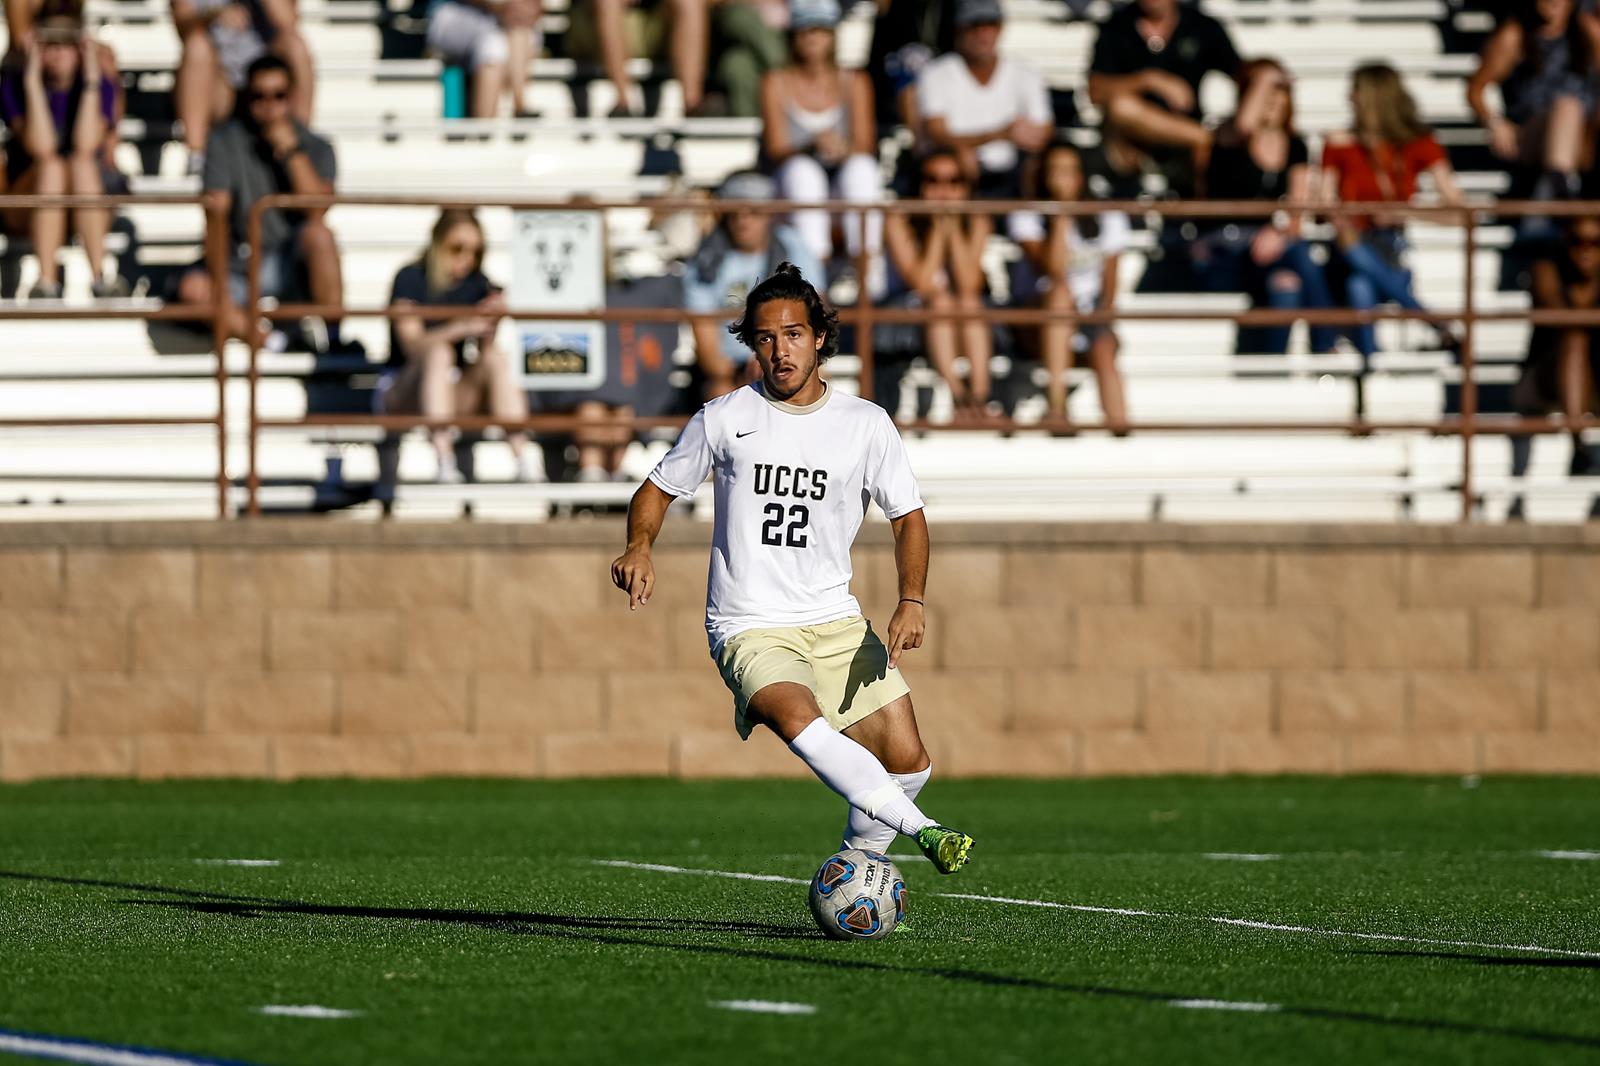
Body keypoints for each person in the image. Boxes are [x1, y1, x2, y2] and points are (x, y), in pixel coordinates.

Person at [610, 261, 975, 875]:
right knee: (800, 721)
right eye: (765, 338)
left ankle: (855, 871)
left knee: (908, 763)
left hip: (834, 619)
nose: (780, 351)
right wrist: (639, 546)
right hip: (748, 624)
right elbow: (657, 489)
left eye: (794, 334)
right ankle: (926, 831)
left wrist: (911, 599)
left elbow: (908, 517)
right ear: (752, 345)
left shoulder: (865, 423)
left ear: (820, 337)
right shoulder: (723, 417)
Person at [176, 55, 343, 350]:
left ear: (292, 97)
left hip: (290, 262)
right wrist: (218, 279)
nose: (269, 105)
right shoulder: (224, 141)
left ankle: (334, 340)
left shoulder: (316, 146)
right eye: (259, 96)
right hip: (236, 262)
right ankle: (274, 343)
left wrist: (291, 152)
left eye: (278, 95)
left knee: (321, 236)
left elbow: (317, 209)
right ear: (246, 98)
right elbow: (215, 218)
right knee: (193, 290)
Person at [1321, 62, 1464, 388]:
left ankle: (1371, 369)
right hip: (1350, 240)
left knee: (1360, 282)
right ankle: (1434, 322)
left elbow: (1458, 210)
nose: (1348, 98)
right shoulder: (1339, 143)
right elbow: (1325, 204)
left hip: (1391, 244)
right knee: (1353, 259)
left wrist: (1405, 213)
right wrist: (1339, 213)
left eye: (1355, 91)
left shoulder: (1418, 143)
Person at [1192, 59, 1336, 357]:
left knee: (1287, 284)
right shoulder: (1227, 136)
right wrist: (1267, 76)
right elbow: (1244, 125)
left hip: (1264, 248)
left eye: (1278, 92)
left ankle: (1278, 368)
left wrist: (1278, 233)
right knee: (1300, 255)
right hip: (1221, 244)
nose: (1272, 101)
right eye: (1264, 93)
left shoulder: (1295, 146)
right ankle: (1325, 342)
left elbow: (1297, 213)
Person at [385, 209, 538, 484]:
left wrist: (493, 319)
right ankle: (444, 460)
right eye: (457, 249)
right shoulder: (410, 277)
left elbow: (485, 352)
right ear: (437, 244)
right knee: (438, 353)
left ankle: (523, 459)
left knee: (495, 358)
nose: (467, 259)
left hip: (449, 393)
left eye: (475, 252)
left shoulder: (477, 282)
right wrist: (461, 327)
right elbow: (411, 345)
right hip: (404, 388)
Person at [0, 13, 124, 299]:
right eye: (49, 45)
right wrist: (33, 82)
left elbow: (86, 145)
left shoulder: (99, 84)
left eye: (66, 44)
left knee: (81, 164)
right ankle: (47, 281)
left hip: (84, 199)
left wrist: (92, 81)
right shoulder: (15, 85)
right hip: (30, 201)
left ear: (80, 49)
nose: (57, 53)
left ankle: (99, 278)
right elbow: (41, 147)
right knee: (52, 167)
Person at [1009, 139, 1128, 433]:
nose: (1063, 178)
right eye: (1055, 170)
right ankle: (1057, 407)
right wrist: (1062, 211)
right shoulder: (1027, 214)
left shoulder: (1107, 215)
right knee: (1060, 294)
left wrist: (1099, 324)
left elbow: (1110, 285)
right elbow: (1052, 269)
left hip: (1086, 314)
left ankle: (1121, 428)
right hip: (1038, 316)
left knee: (1103, 345)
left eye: (1069, 170)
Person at [760, 0, 881, 271]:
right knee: (803, 172)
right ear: (793, 36)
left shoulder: (855, 81)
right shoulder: (775, 82)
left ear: (833, 34)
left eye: (820, 29)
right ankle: (813, 276)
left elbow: (865, 145)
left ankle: (867, 272)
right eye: (804, 30)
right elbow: (776, 150)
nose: (812, 37)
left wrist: (842, 148)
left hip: (839, 187)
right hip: (791, 189)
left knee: (862, 169)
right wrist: (812, 147)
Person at [684, 170, 823, 398]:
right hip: (733, 372)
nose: (743, 219)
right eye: (734, 211)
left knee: (812, 382)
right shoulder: (705, 260)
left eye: (754, 211)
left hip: (788, 358)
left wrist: (773, 364)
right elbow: (709, 352)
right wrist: (744, 373)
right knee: (720, 395)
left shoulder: (793, 246)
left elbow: (816, 317)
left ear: (769, 214)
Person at [881, 147, 993, 419]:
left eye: (954, 181)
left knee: (968, 301)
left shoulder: (977, 219)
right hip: (910, 311)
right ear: (919, 184)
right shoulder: (899, 217)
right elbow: (920, 283)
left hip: (963, 315)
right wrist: (937, 231)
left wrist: (952, 229)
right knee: (941, 300)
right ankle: (959, 395)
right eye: (933, 180)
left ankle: (980, 396)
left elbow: (969, 283)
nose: (944, 190)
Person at [1087, 0, 1242, 196]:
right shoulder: (1116, 26)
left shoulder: (1202, 26)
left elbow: (1242, 74)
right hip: (1129, 143)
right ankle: (1203, 138)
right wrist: (1149, 80)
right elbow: (1096, 92)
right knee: (1122, 106)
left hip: (1185, 142)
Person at [912, 0, 1051, 197]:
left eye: (991, 24)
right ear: (959, 30)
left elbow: (1042, 132)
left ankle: (1028, 213)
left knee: (1047, 163)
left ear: (1000, 28)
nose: (983, 33)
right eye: (974, 25)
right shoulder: (936, 73)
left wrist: (971, 141)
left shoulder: (1026, 73)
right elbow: (938, 134)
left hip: (1013, 173)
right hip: (958, 175)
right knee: (954, 162)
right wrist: (1001, 134)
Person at [1469, 0, 1600, 205]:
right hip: (1532, 134)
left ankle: (1562, 186)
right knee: (1567, 106)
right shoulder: (1516, 35)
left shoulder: (1588, 32)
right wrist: (1494, 122)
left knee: (1572, 107)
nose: (1554, 2)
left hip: (1585, 137)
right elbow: (1475, 90)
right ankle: (1560, 186)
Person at [170, 0, 314, 173]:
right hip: (218, 82)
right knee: (196, 45)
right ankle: (197, 156)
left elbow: (287, 21)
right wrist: (216, 14)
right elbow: (183, 25)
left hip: (265, 78)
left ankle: (301, 143)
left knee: (295, 44)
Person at [1515, 214, 1600, 475]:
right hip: (1545, 378)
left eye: (1595, 242)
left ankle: (1580, 448)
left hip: (1593, 378)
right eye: (1577, 242)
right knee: (1574, 339)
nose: (1585, 250)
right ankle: (1578, 445)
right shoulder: (1547, 269)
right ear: (1564, 242)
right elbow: (1562, 317)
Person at [566, 0, 711, 118]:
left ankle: (692, 105)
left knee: (689, 2)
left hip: (651, 24)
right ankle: (622, 104)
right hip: (594, 19)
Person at [424, 0, 542, 118]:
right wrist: (498, 5)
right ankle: (488, 123)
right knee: (494, 46)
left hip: (502, 23)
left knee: (517, 30)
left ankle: (519, 105)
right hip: (453, 14)